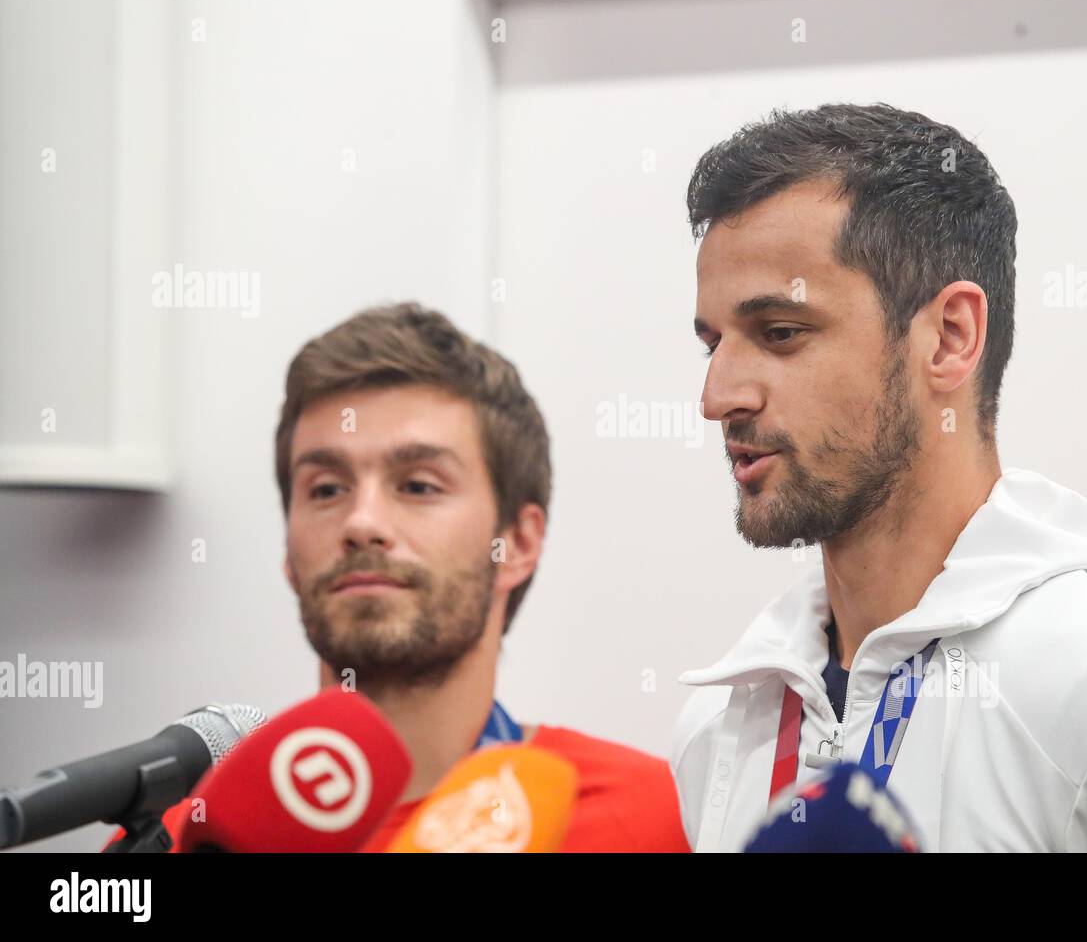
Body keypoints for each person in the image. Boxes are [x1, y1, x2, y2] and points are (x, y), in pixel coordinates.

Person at [671, 103, 1087, 852]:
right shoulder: (719, 728)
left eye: (779, 332)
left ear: (950, 337)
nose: (717, 398)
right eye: (714, 343)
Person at [108, 302, 688, 852]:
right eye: (327, 490)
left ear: (516, 543)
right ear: (289, 548)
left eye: (417, 486)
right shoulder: (175, 838)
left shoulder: (650, 818)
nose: (361, 523)